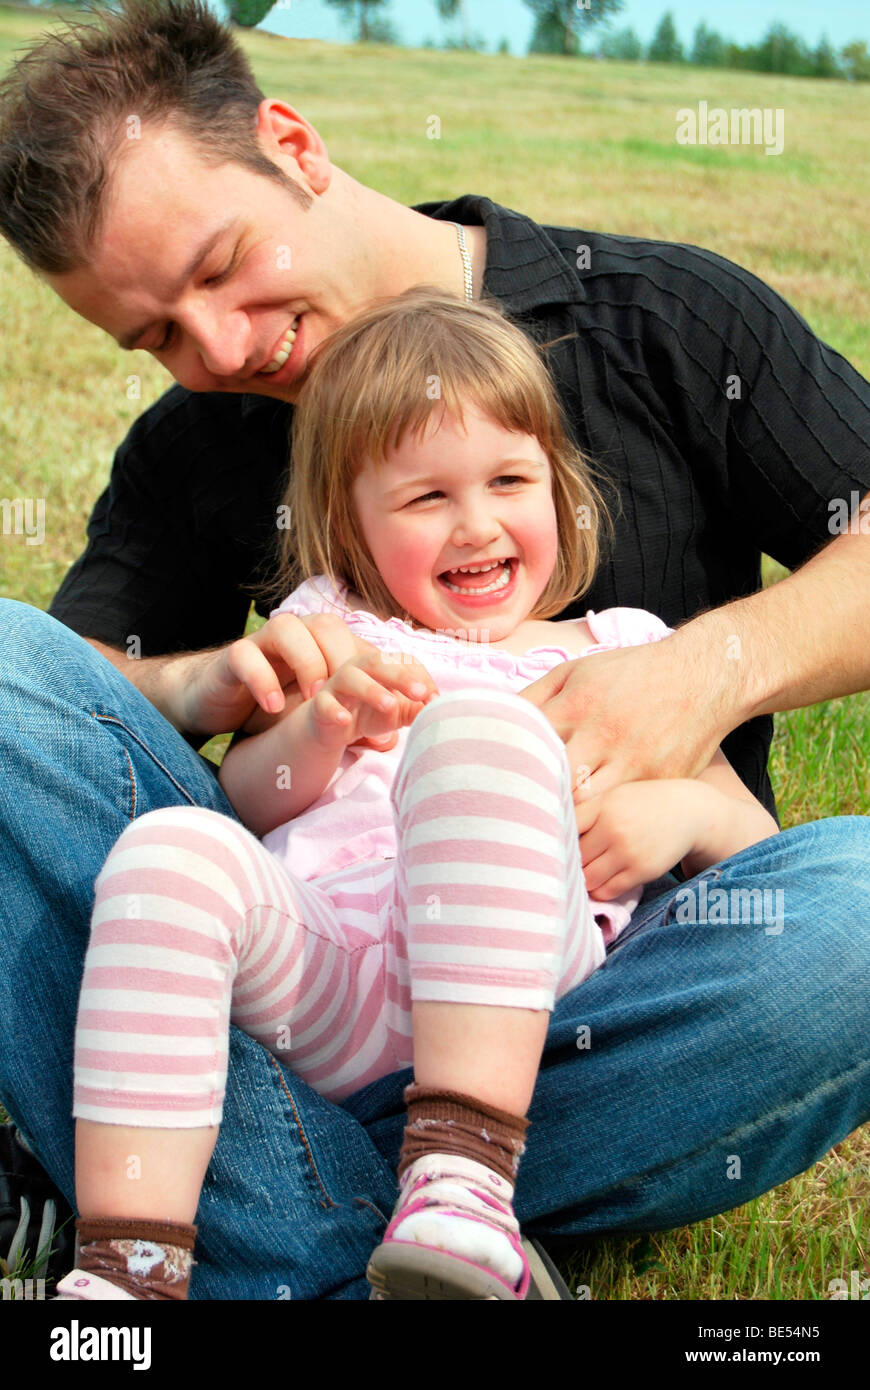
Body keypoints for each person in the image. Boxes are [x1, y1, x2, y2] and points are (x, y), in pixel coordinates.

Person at [0, 0, 868, 1301]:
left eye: (223, 266)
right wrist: (210, 683)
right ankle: (396, 1240)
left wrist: (699, 676)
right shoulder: (197, 439)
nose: (221, 349)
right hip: (302, 974)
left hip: (604, 1007)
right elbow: (64, 704)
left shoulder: (662, 320)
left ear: (290, 142)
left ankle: (300, 1216)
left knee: (853, 905)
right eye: (159, 335)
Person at [56, 288, 781, 1302]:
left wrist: (684, 813)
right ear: (348, 522)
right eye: (426, 497)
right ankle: (126, 1272)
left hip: (520, 992)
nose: (475, 523)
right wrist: (318, 727)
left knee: (478, 735)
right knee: (169, 852)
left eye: (509, 479)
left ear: (561, 489)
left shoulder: (619, 653)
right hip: (333, 984)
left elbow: (769, 855)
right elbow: (248, 801)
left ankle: (466, 1187)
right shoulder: (333, 629)